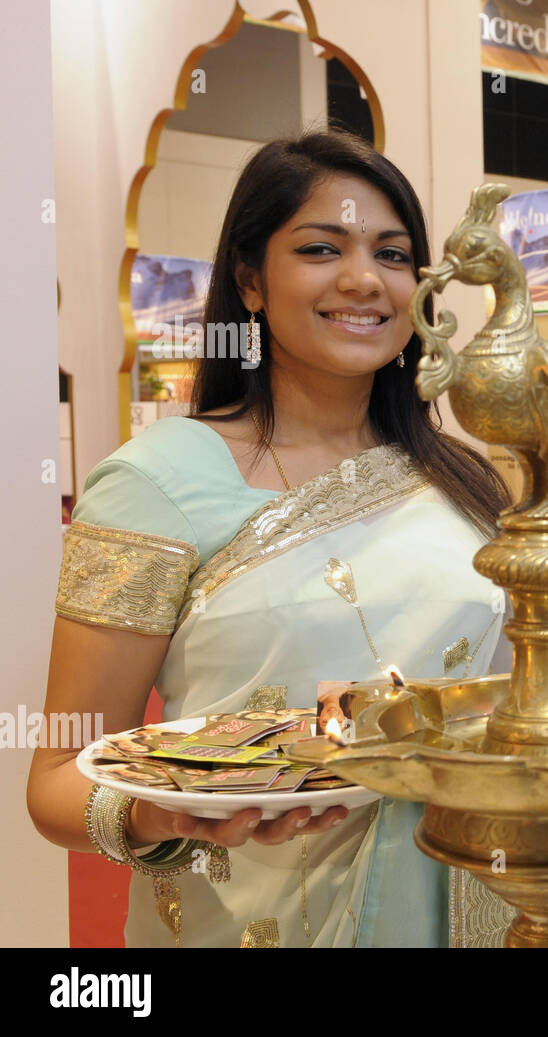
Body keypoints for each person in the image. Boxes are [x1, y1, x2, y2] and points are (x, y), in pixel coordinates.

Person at [28, 132, 516, 947]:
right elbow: (54, 782)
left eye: (393, 255)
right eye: (322, 248)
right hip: (253, 918)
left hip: (473, 909)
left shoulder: (466, 480)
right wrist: (159, 811)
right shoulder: (155, 485)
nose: (364, 278)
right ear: (251, 280)